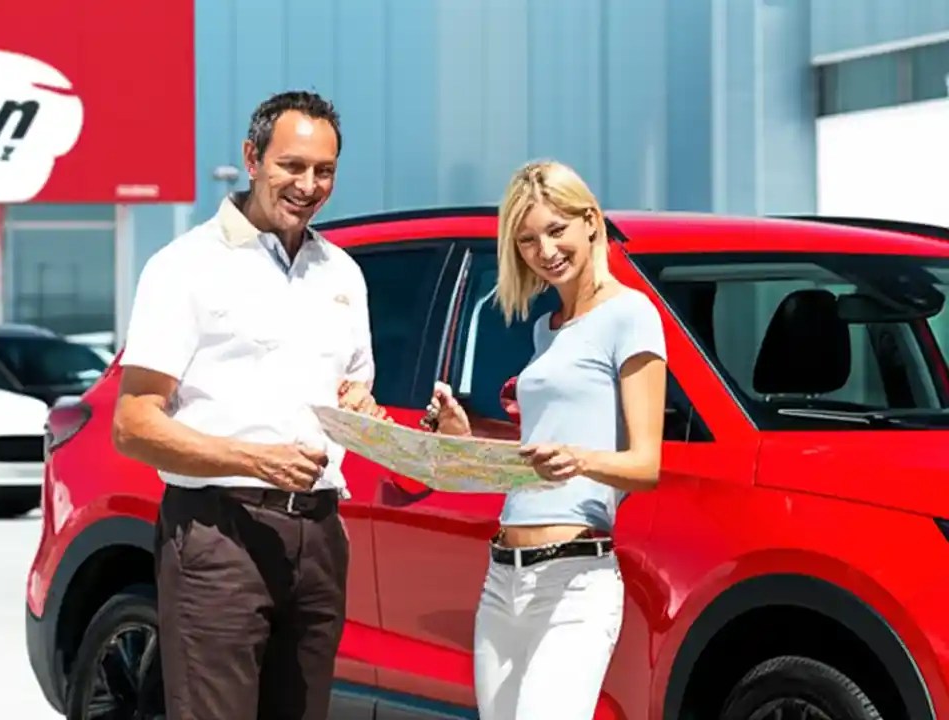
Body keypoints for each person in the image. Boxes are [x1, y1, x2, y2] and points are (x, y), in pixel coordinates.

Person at [111, 90, 376, 720]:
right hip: (219, 534)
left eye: (324, 171)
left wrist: (368, 413)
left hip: (320, 535)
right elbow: (133, 422)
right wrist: (254, 461)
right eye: (292, 166)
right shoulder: (185, 267)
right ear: (252, 159)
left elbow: (355, 393)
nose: (308, 185)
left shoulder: (342, 273)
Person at [423, 159, 668, 719]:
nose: (545, 250)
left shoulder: (631, 315)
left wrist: (578, 460)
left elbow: (645, 465)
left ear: (590, 221)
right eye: (528, 239)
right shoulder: (546, 330)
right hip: (503, 579)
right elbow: (538, 451)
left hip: (574, 581)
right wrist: (468, 435)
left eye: (557, 230)